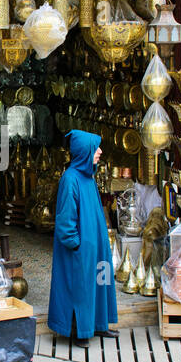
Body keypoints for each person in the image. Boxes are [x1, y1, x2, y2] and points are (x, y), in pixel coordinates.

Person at [48, 130, 118, 349]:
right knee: (81, 289)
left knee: (100, 283)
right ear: (83, 151)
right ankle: (80, 330)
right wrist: (76, 244)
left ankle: (98, 323)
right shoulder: (70, 179)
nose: (100, 152)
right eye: (95, 148)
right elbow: (65, 220)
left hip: (96, 247)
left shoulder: (88, 177)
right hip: (80, 250)